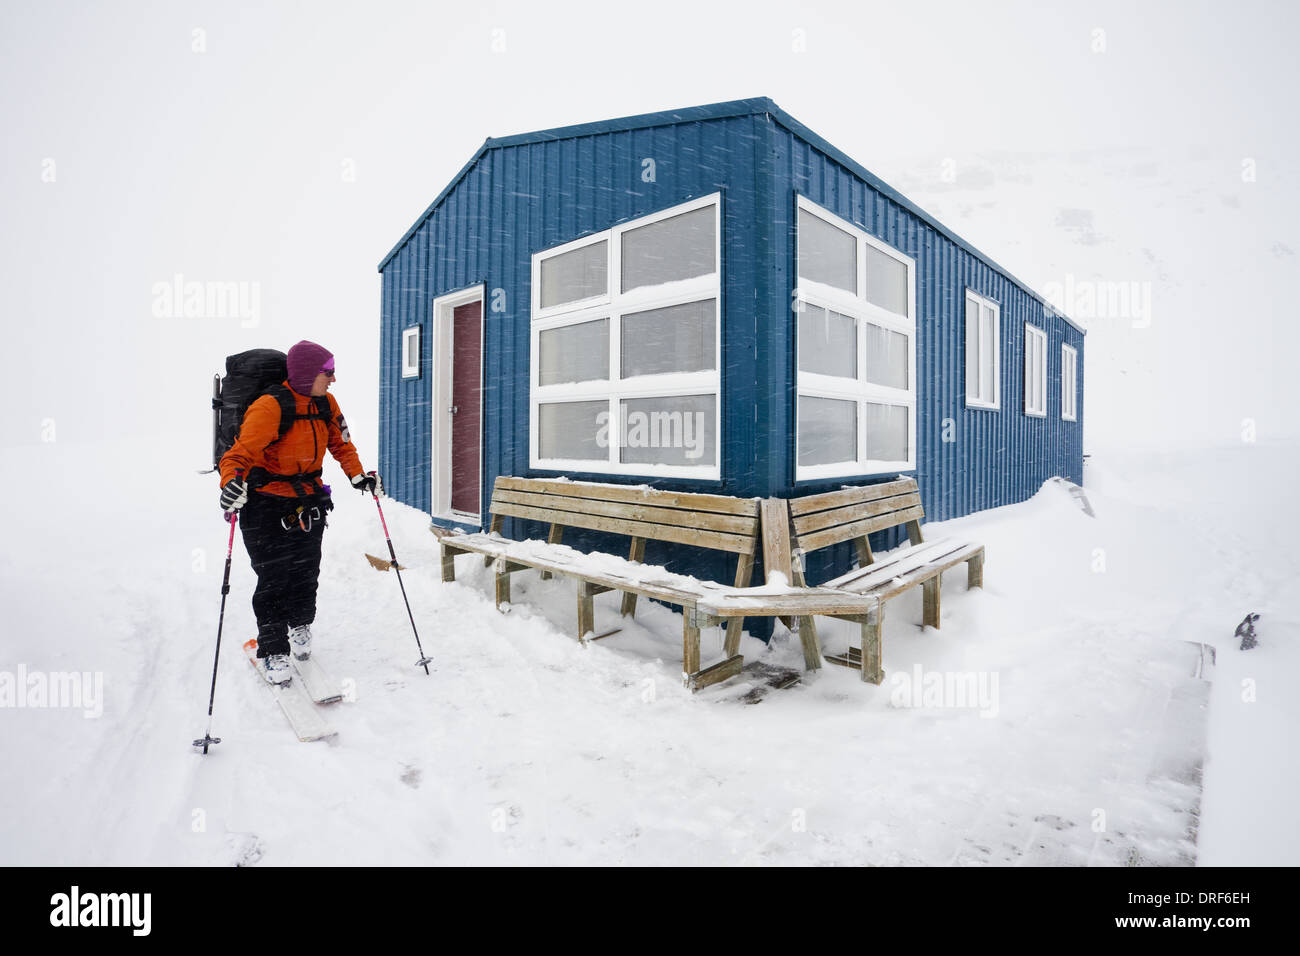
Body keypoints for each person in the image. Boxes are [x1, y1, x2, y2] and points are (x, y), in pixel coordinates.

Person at [217, 340, 382, 686]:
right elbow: (238, 455)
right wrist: (230, 484)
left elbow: (341, 442)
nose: (333, 379)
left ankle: (300, 625)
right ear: (308, 374)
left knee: (306, 572)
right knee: (274, 577)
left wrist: (357, 475)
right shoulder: (270, 407)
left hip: (308, 500)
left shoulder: (326, 403)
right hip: (264, 503)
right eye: (328, 372)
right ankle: (274, 648)